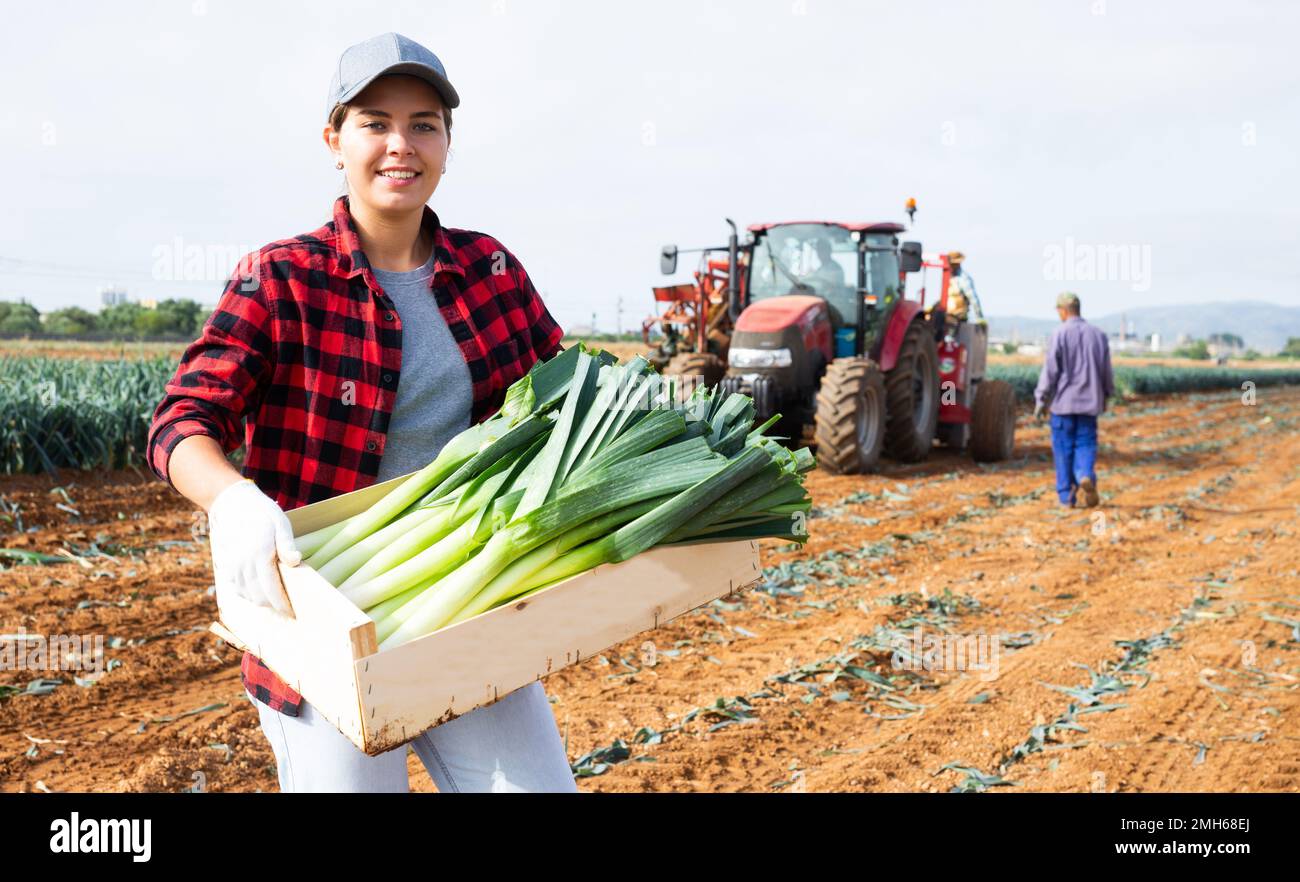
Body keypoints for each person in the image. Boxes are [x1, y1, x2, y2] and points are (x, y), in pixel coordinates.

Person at [146, 33, 576, 793]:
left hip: (466, 603)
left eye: (423, 124)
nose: (399, 145)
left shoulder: (492, 271)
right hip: (322, 617)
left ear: (447, 143)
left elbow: (571, 402)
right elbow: (183, 420)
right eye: (374, 122)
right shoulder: (281, 278)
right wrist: (233, 499)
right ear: (334, 141)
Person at [1033, 291, 1115, 508]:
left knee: (1063, 449)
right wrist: (1107, 394)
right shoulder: (1098, 335)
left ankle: (1066, 497)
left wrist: (1041, 399)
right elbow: (1106, 370)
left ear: (1063, 310)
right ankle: (1085, 474)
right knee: (1086, 444)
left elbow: (1050, 371)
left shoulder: (1059, 333)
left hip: (1063, 404)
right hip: (1090, 403)